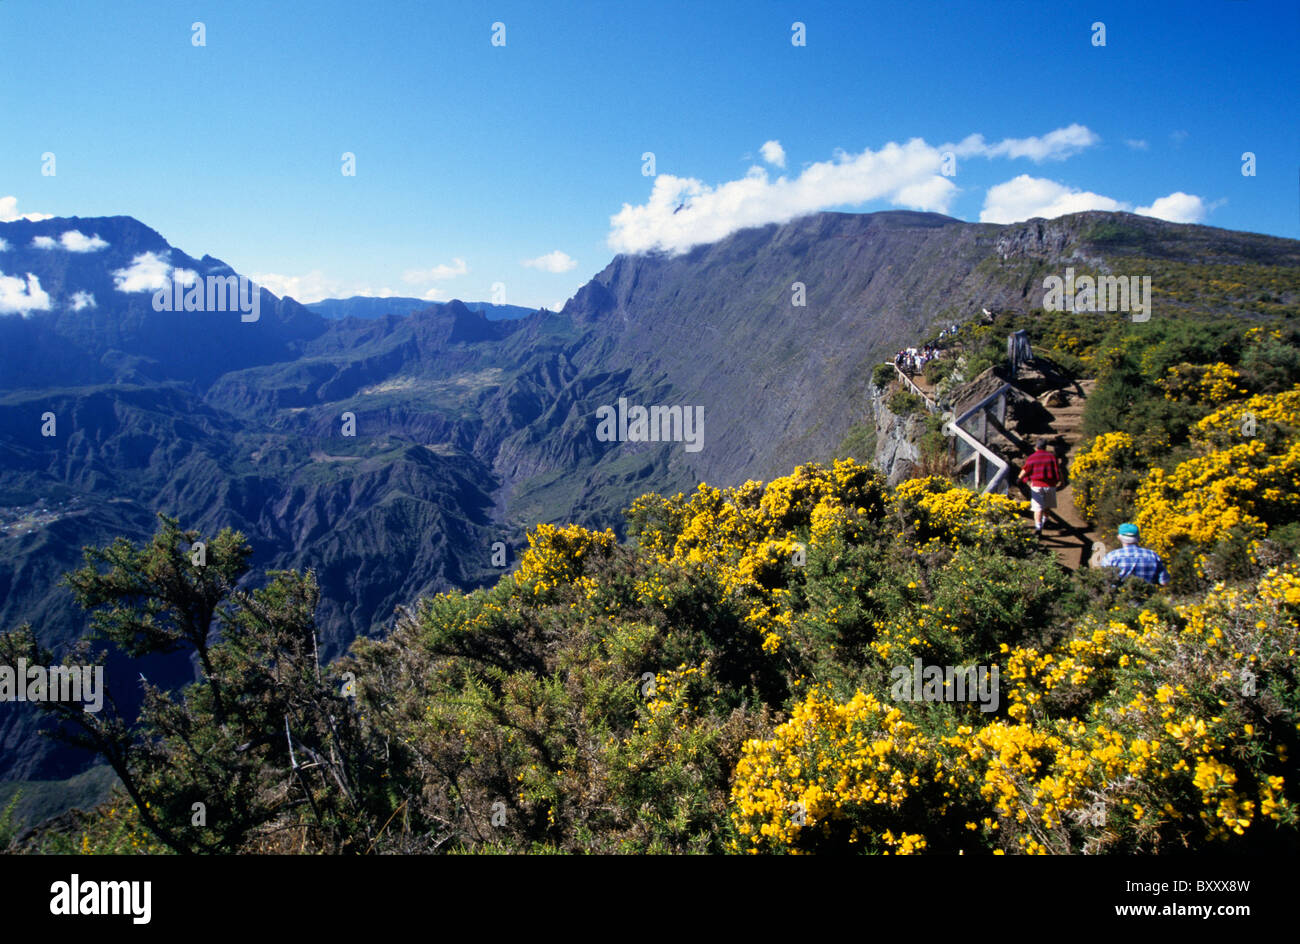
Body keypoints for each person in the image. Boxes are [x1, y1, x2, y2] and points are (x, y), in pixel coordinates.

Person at [1101, 523, 1171, 586]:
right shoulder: (1152, 555)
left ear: (1119, 537)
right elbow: (1164, 581)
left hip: (1119, 599)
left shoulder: (1111, 557)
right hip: (1147, 598)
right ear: (1138, 537)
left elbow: (1103, 580)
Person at [1018, 437, 1060, 535]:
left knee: (1038, 508)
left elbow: (1026, 469)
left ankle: (1038, 527)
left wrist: (1019, 479)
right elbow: (1057, 470)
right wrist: (1061, 481)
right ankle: (1045, 519)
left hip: (1037, 485)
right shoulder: (1052, 457)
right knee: (1047, 505)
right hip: (1050, 485)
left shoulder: (1032, 457)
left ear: (1036, 447)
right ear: (1045, 447)